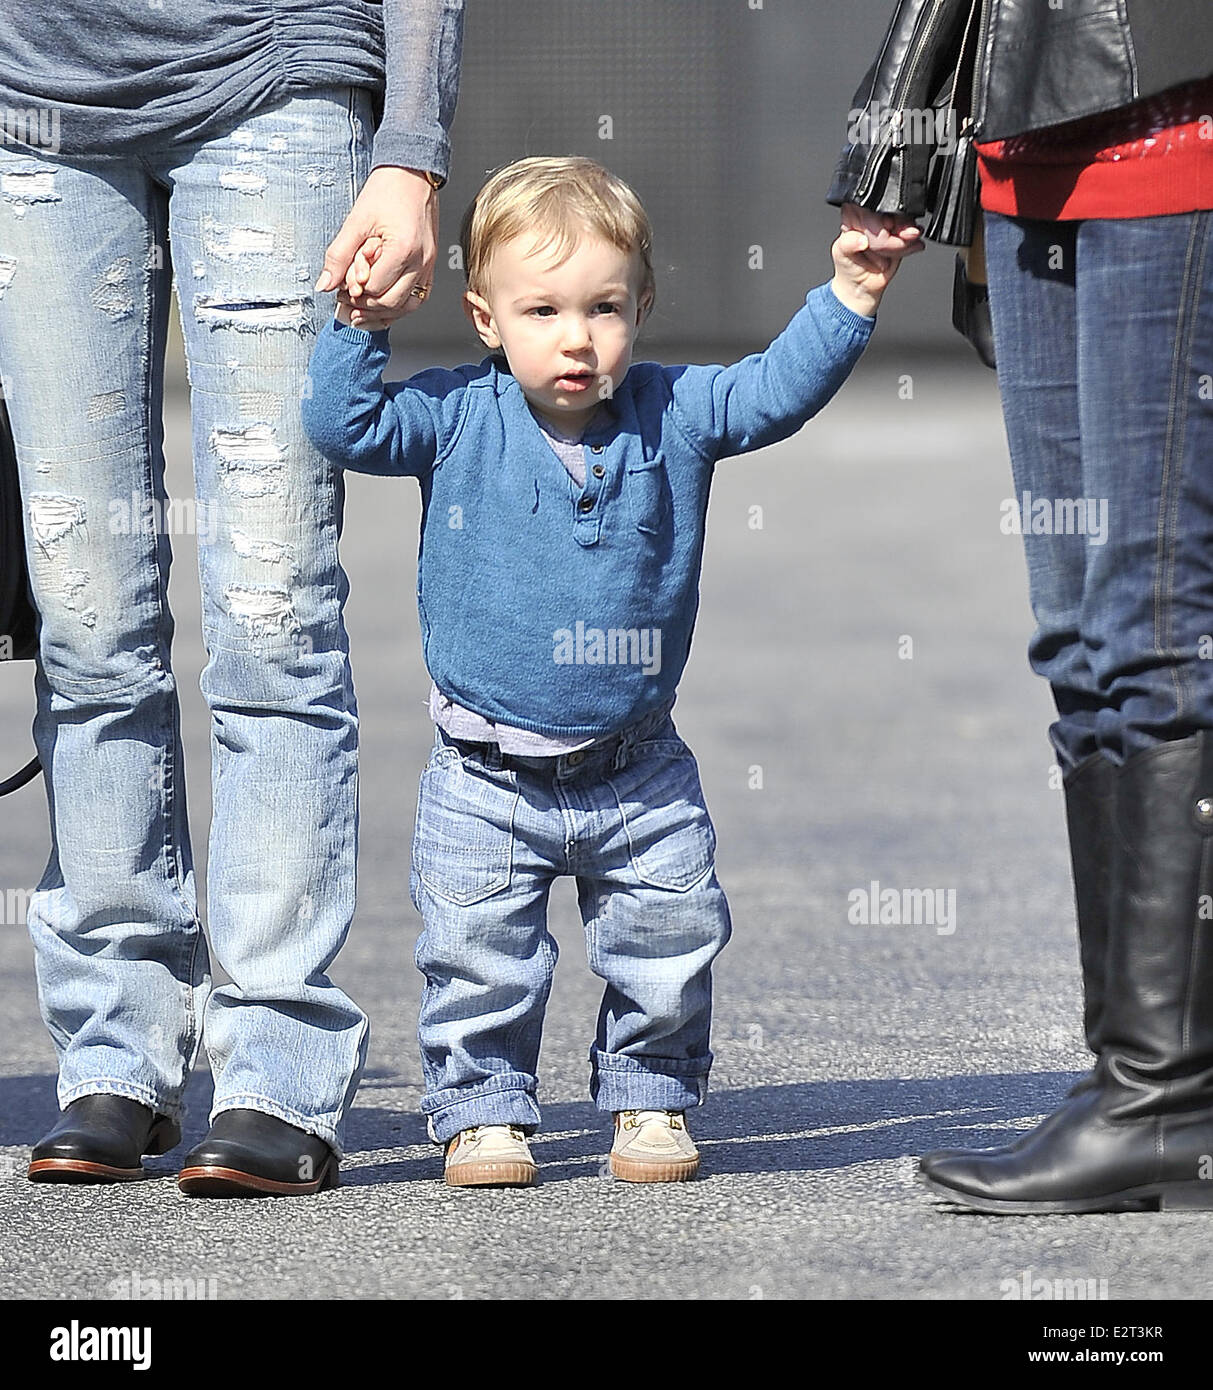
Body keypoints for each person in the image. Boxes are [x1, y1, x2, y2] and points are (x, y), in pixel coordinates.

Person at [302, 155, 920, 1186]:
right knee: (475, 959)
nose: (577, 337)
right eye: (542, 309)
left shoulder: (676, 411)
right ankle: (482, 1113)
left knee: (670, 941)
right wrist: (359, 326)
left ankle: (649, 1099)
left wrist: (853, 289)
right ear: (486, 318)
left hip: (639, 769)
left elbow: (775, 389)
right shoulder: (458, 418)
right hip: (482, 774)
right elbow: (345, 426)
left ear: (642, 308)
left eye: (605, 307)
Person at [0, 1, 464, 1196]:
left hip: (278, 71)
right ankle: (117, 1053)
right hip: (35, 99)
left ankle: (275, 1069)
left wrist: (410, 149)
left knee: (273, 609)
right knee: (85, 616)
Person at [835, 1, 1213, 1214]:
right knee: (1079, 639)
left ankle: (1170, 1097)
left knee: (1159, 628)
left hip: (1172, 134)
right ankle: (1129, 1075)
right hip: (1027, 148)